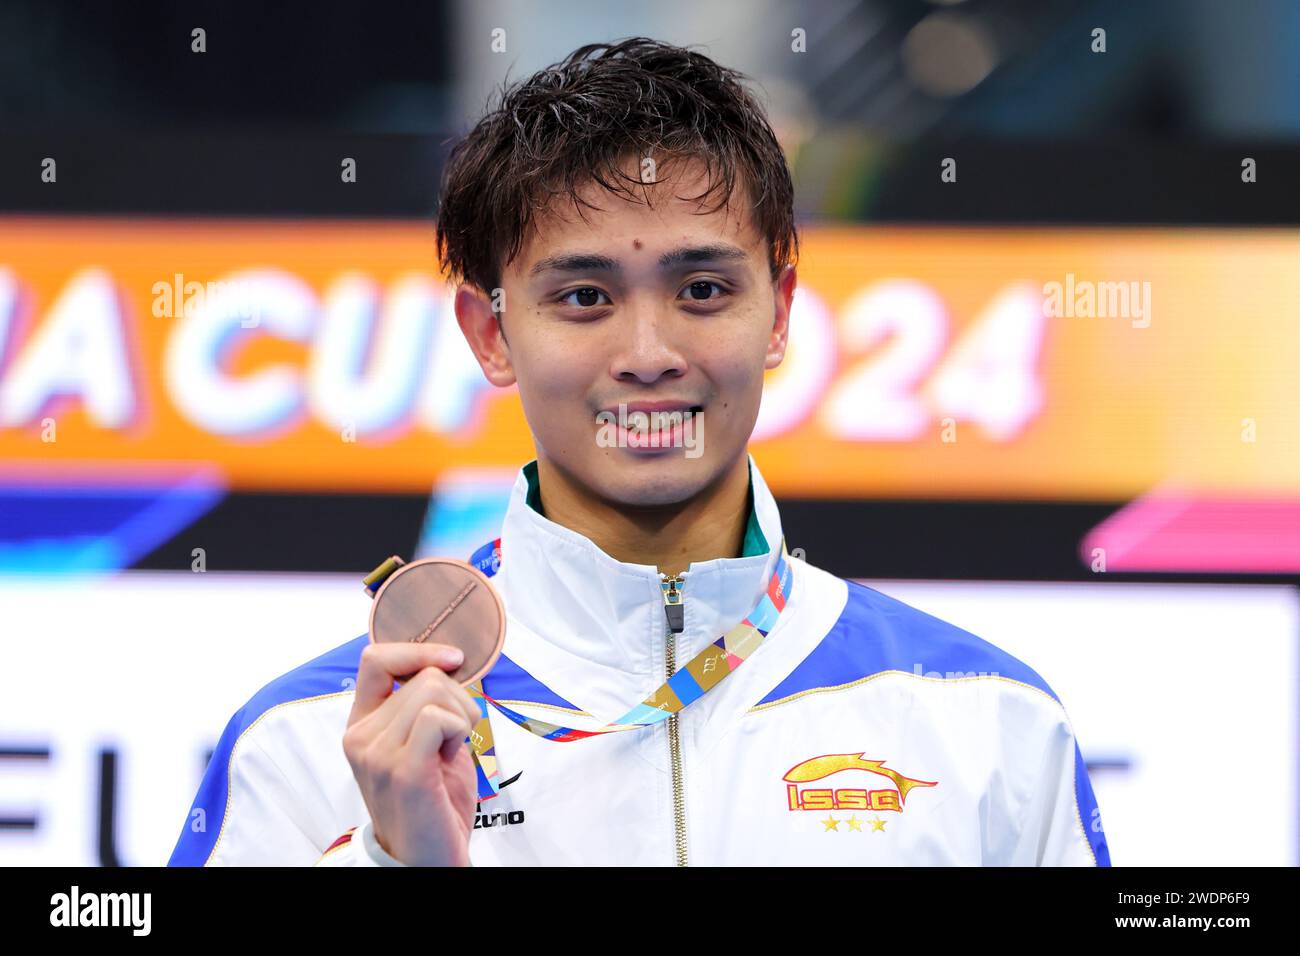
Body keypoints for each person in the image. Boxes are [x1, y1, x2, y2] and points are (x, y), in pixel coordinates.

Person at [167, 37, 1110, 867]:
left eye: (702, 289)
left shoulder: (986, 722)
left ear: (779, 314)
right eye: (584, 298)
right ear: (490, 335)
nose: (650, 355)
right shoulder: (306, 745)